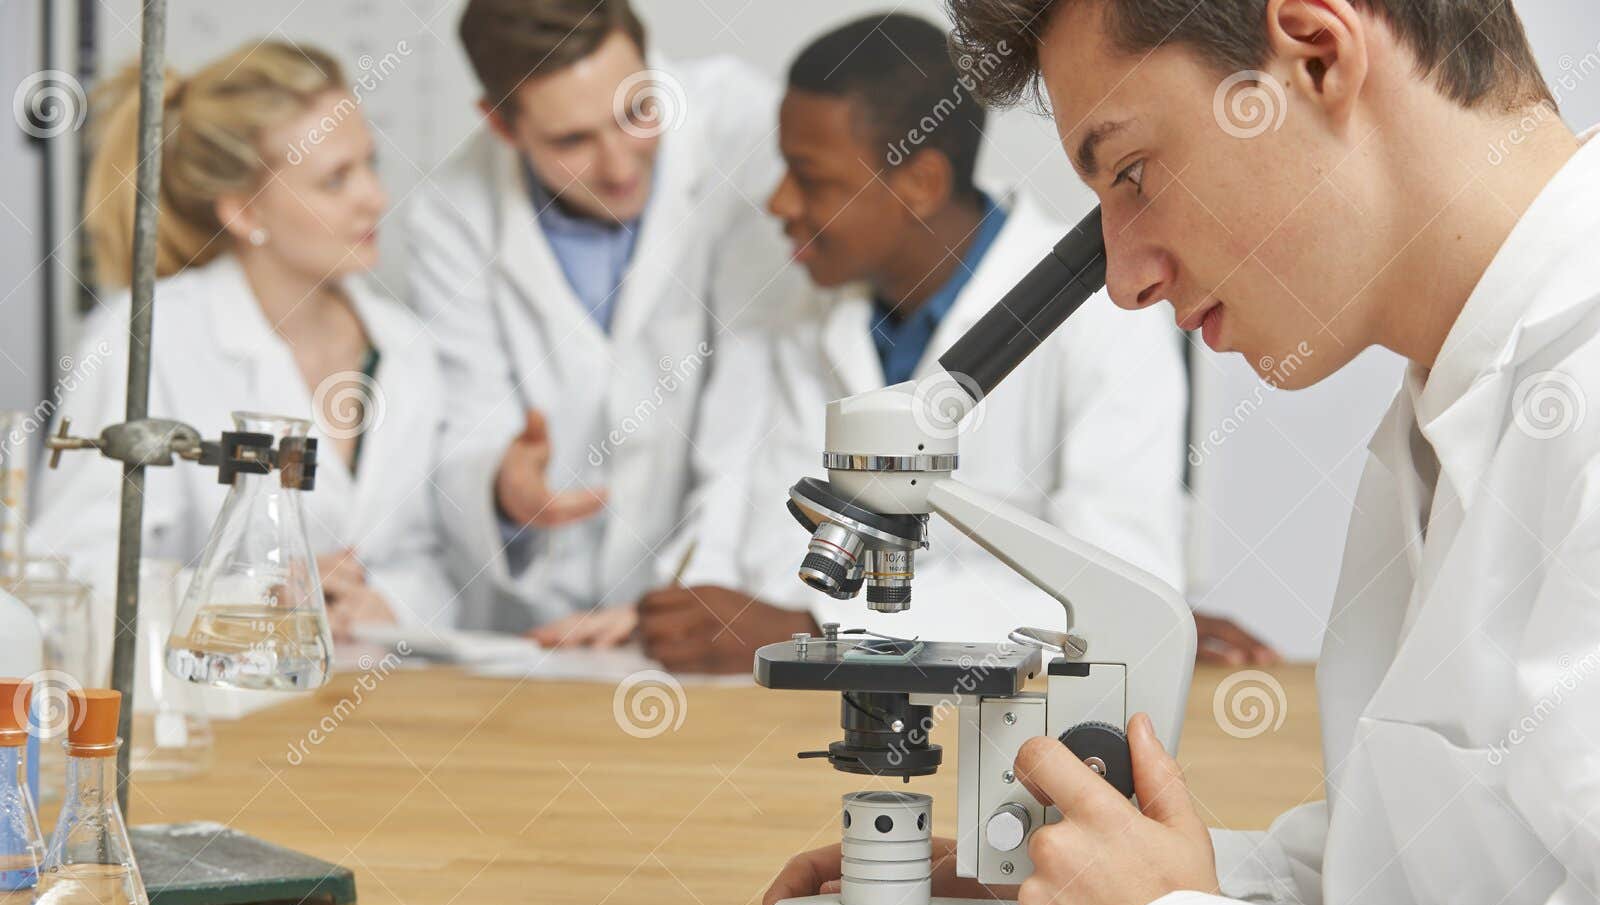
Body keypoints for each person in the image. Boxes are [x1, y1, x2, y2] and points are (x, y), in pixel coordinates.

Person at [765, 0, 1600, 905]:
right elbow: (1420, 887)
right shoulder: (1462, 399)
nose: (1121, 278)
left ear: (1311, 54)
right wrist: (1074, 879)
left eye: (1132, 173)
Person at [632, 13, 1276, 673]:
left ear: (922, 184)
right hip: (776, 705)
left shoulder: (1105, 319)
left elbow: (1115, 590)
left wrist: (820, 628)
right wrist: (688, 610)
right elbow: (728, 519)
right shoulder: (790, 301)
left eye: (812, 178)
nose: (778, 202)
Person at [35, 41, 456, 643]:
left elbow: (431, 562)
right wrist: (249, 592)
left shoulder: (405, 345)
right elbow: (67, 574)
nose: (375, 197)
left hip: (373, 705)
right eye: (335, 179)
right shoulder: (145, 338)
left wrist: (384, 605)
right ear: (243, 211)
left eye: (370, 164)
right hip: (208, 712)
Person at [410, 0, 797, 638]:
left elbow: (757, 401)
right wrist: (502, 488)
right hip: (539, 627)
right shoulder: (452, 214)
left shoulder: (744, 127)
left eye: (636, 113)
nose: (619, 167)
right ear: (500, 126)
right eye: (572, 142)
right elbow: (467, 420)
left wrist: (690, 590)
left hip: (713, 607)